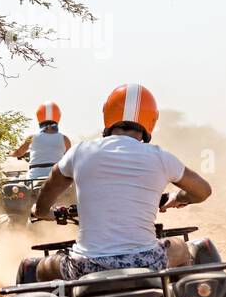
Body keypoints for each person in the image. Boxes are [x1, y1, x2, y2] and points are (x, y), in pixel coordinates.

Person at [31, 84, 212, 281]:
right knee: (180, 246)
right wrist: (177, 197)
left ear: (107, 115)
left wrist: (41, 211)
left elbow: (49, 187)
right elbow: (203, 191)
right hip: (147, 262)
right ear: (151, 120)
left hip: (86, 267)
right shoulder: (161, 157)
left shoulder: (80, 152)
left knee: (42, 267)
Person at [10, 101, 72, 180]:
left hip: (35, 176)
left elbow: (18, 153)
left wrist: (10, 153)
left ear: (39, 117)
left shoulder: (32, 137)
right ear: (58, 117)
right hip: (57, 178)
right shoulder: (64, 139)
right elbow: (69, 159)